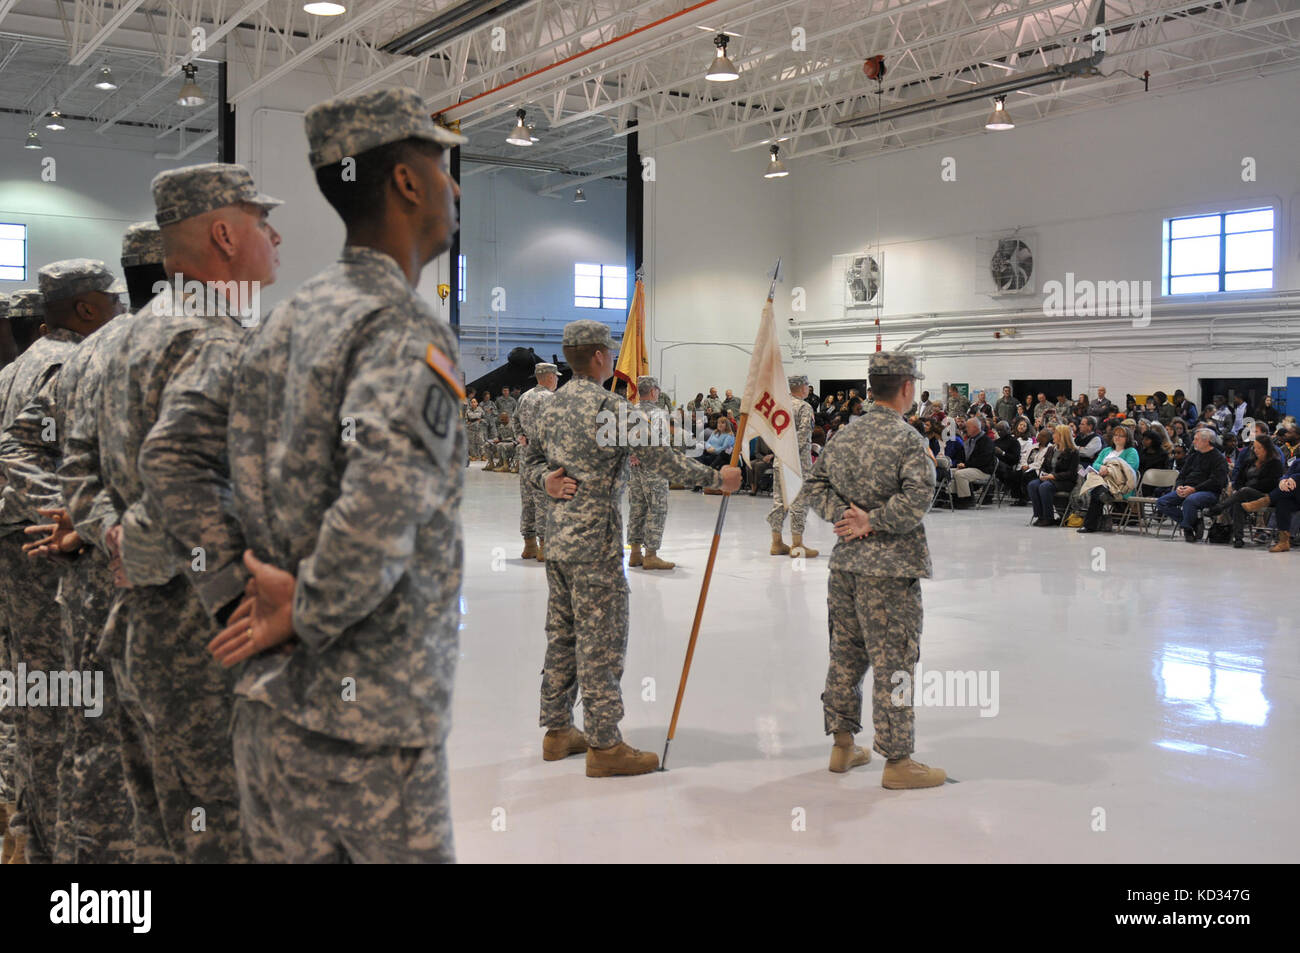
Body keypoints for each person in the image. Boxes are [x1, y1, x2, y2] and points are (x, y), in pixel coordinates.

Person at [208, 88, 467, 863]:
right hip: (365, 739)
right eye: (443, 167)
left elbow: (214, 471)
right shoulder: (399, 324)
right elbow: (381, 504)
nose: (455, 188)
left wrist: (248, 591)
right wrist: (312, 605)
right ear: (408, 184)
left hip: (270, 718)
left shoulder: (289, 318)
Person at [521, 319, 741, 777]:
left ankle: (557, 730)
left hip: (558, 542)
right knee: (601, 642)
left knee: (561, 637)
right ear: (600, 357)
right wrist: (716, 478)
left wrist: (546, 479)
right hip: (596, 546)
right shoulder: (610, 409)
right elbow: (662, 460)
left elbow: (531, 460)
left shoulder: (550, 405)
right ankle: (604, 745)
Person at [1, 248, 152, 864]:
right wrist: (76, 524)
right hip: (51, 558)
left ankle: (23, 825)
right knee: (75, 707)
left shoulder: (17, 368)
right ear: (87, 307)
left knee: (33, 693)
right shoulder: (72, 362)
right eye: (111, 301)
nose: (119, 310)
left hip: (20, 549)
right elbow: (25, 457)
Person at [800, 351, 944, 789]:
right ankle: (898, 761)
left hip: (845, 567)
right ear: (906, 388)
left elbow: (813, 484)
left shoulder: (844, 435)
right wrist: (872, 520)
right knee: (894, 662)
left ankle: (842, 745)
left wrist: (843, 516)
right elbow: (919, 498)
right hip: (890, 571)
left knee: (844, 655)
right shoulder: (907, 440)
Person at [626, 375, 676, 570]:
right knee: (657, 508)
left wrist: (633, 453)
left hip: (634, 467)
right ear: (654, 391)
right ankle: (651, 555)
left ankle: (635, 553)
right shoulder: (658, 413)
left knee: (637, 507)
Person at [768, 374, 819, 558]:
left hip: (779, 460)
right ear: (802, 387)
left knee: (779, 501)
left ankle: (776, 543)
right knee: (799, 502)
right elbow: (803, 434)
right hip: (796, 463)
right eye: (807, 385)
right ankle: (797, 545)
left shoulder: (779, 407)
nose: (808, 388)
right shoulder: (805, 407)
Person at [1154, 428, 1229, 542]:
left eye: (1196, 439)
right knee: (1162, 502)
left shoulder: (1218, 459)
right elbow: (1182, 475)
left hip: (1209, 492)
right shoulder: (1193, 456)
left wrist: (1194, 489)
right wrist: (1179, 486)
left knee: (1190, 500)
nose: (1193, 442)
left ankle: (1187, 528)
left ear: (1206, 441)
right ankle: (1193, 522)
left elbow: (1216, 481)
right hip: (1187, 489)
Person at [514, 362, 557, 560]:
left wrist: (521, 436)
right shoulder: (551, 398)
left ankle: (529, 545)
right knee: (544, 501)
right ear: (548, 377)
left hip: (526, 456)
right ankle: (544, 546)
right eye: (555, 376)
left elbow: (515, 420)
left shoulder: (524, 396)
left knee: (528, 499)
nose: (557, 379)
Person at [1213, 435, 1283, 547]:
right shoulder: (1249, 462)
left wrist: (1248, 488)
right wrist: (1239, 489)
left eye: (1258, 448)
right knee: (1238, 502)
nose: (1255, 450)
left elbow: (1271, 484)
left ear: (1266, 448)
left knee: (1244, 492)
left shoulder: (1275, 463)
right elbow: (1239, 479)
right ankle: (1238, 538)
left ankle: (1220, 507)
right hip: (1245, 494)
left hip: (1265, 496)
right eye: (1254, 448)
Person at [1241, 432, 1300, 552]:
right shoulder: (1297, 462)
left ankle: (1264, 501)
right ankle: (1284, 542)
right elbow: (1287, 474)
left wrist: (1293, 478)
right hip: (1294, 495)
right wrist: (1284, 480)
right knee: (1283, 502)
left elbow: (1294, 476)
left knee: (1297, 479)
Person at [1076, 424, 1139, 533]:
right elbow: (1095, 463)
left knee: (1096, 490)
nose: (1117, 437)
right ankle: (1103, 494)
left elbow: (1130, 469)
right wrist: (1102, 467)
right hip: (1101, 479)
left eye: (1121, 436)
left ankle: (1089, 525)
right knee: (1092, 480)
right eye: (1115, 435)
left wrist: (1109, 470)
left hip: (1119, 483)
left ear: (1127, 438)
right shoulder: (1107, 450)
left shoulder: (1131, 452)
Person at [1027, 425, 1079, 526]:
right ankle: (1039, 515)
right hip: (1049, 478)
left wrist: (1054, 476)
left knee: (1044, 487)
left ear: (1062, 436)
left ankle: (1048, 517)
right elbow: (1044, 466)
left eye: (1055, 433)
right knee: (1032, 485)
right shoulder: (1051, 449)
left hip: (1065, 481)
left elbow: (1071, 473)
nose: (1053, 436)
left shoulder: (1073, 452)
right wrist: (1043, 474)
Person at [949, 417, 995, 507]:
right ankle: (953, 498)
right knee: (950, 472)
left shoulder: (986, 441)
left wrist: (966, 464)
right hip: (970, 468)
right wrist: (960, 462)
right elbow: (961, 455)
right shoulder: (969, 440)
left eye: (968, 427)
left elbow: (983, 460)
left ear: (975, 428)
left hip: (983, 470)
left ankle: (966, 499)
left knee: (960, 474)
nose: (966, 429)